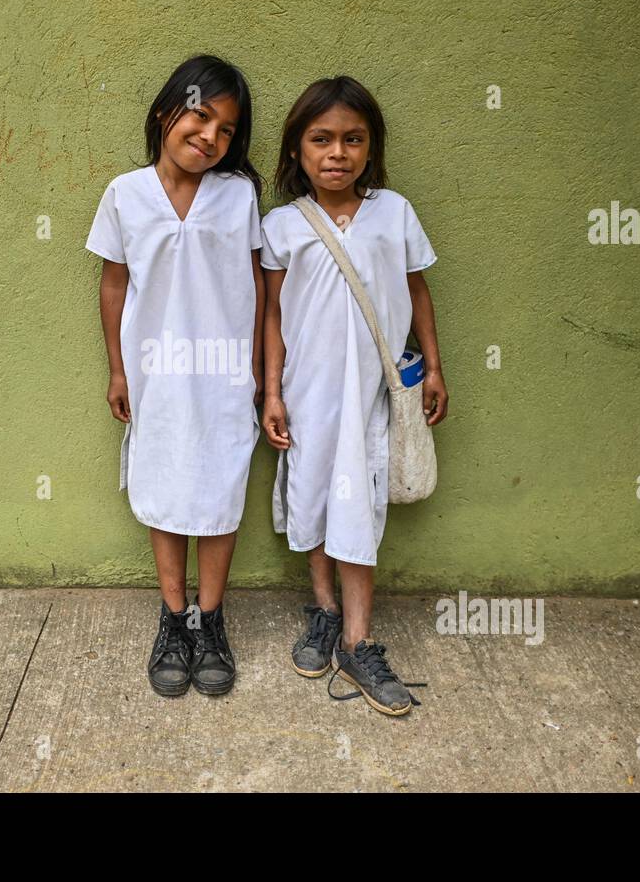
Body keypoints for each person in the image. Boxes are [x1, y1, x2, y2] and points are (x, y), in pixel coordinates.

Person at [260, 75, 448, 716]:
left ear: (371, 148)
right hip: (308, 393)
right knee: (312, 496)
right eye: (321, 139)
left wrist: (436, 371)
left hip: (373, 393)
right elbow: (272, 316)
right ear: (296, 151)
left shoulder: (393, 213)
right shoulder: (282, 225)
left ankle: (358, 642)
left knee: (361, 508)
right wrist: (272, 392)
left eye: (352, 139)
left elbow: (418, 292)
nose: (337, 152)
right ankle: (324, 612)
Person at [85, 55, 265, 698]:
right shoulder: (124, 194)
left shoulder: (238, 195)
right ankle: (173, 618)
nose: (210, 137)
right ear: (166, 111)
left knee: (219, 489)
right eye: (200, 115)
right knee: (163, 484)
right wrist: (118, 369)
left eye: (226, 130)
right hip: (155, 369)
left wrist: (261, 375)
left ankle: (209, 621)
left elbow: (256, 288)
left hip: (223, 373)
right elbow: (113, 285)